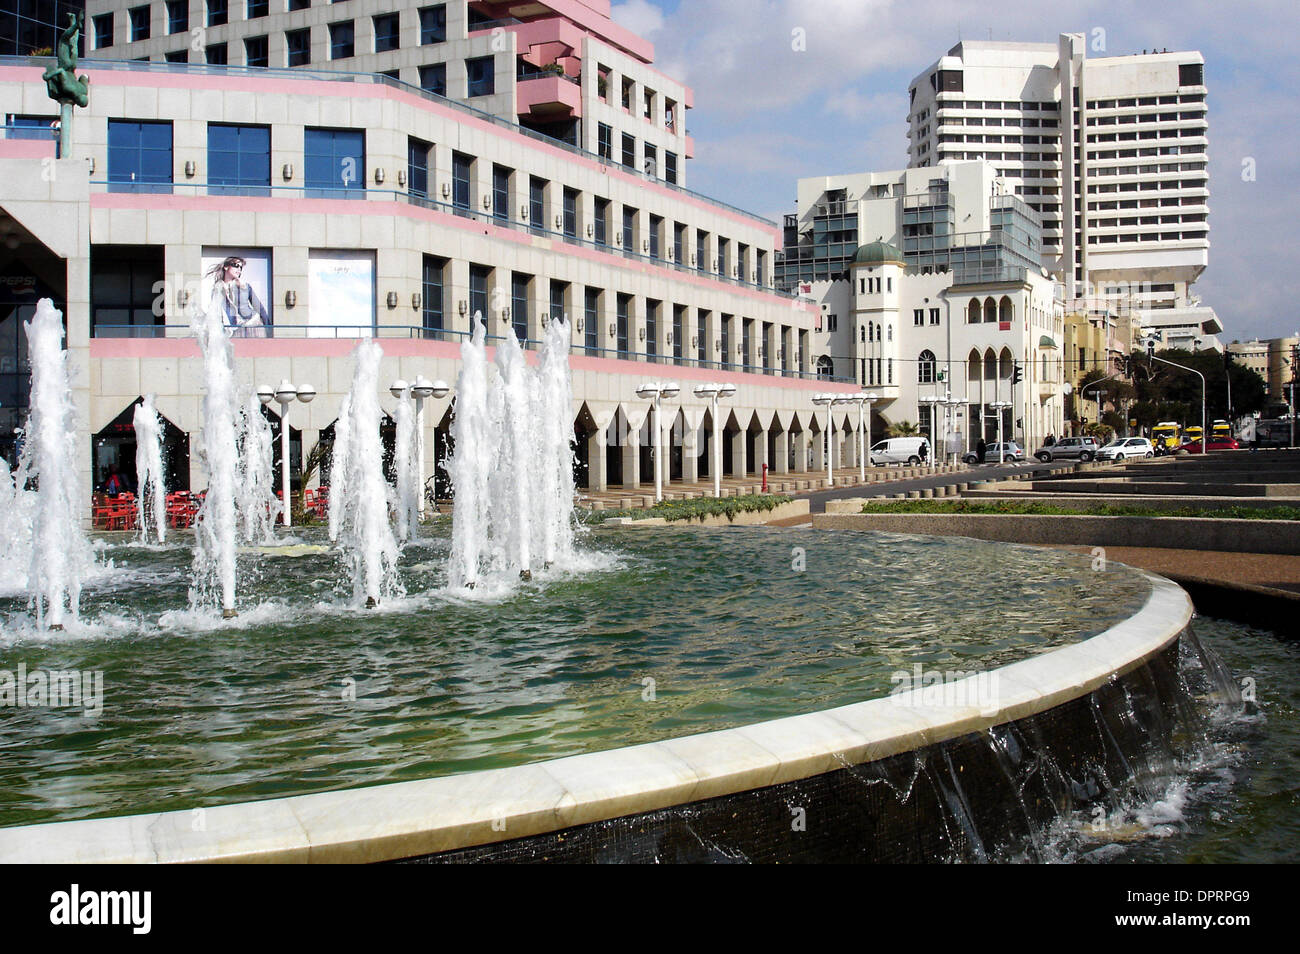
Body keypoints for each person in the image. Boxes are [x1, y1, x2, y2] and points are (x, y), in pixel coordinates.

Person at [206, 256, 270, 338]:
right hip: (234, 329)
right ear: (226, 267)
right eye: (236, 265)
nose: (239, 269)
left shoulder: (245, 286)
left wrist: (269, 328)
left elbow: (259, 307)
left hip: (253, 324)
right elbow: (214, 311)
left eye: (241, 267)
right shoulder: (217, 289)